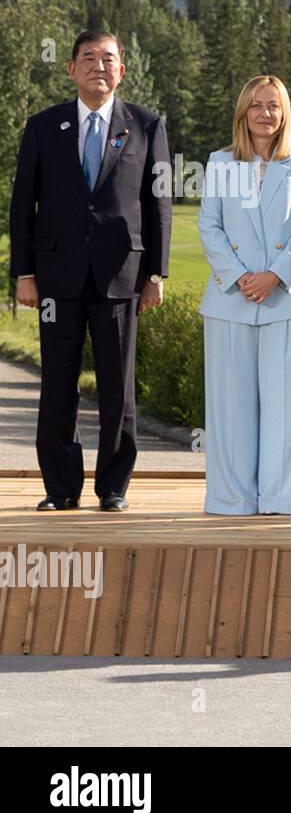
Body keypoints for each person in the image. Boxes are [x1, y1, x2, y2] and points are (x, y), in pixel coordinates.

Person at [9, 29, 172, 513]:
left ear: (123, 69)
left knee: (117, 386)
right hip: (56, 276)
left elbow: (158, 203)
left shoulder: (146, 125)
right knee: (57, 382)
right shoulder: (43, 126)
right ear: (71, 69)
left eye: (108, 59)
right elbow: (23, 206)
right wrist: (24, 273)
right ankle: (60, 488)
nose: (98, 66)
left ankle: (113, 486)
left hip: (122, 274)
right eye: (88, 58)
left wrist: (156, 274)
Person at [198, 76, 291, 515]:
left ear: (284, 112)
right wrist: (240, 276)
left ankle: (279, 498)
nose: (265, 113)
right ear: (242, 112)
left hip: (287, 298)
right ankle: (230, 498)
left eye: (273, 105)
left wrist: (274, 275)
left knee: (286, 405)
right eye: (255, 105)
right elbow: (209, 227)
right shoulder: (221, 163)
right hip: (231, 298)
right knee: (231, 406)